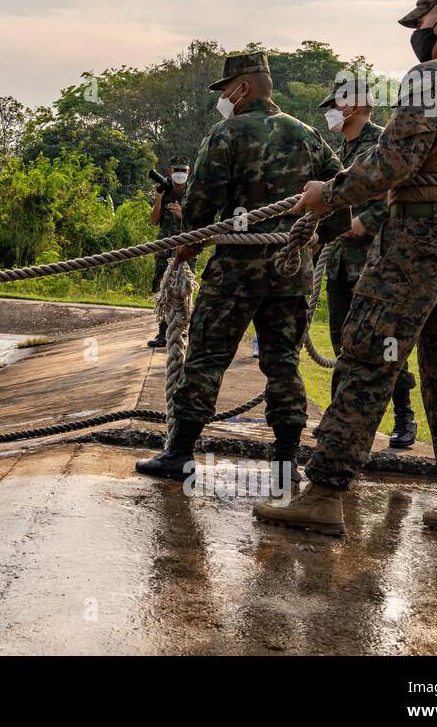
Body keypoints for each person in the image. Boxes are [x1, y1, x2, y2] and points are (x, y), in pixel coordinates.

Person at [255, 0, 437, 543]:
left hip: (422, 233)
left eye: (420, 25)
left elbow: (394, 159)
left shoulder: (432, 77)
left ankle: (325, 493)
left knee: (370, 352)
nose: (416, 37)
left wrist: (329, 192)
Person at [135, 52, 342, 485]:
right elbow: (340, 196)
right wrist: (317, 234)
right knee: (283, 363)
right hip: (291, 272)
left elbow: (199, 206)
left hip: (236, 272)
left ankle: (180, 453)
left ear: (242, 88)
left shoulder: (226, 134)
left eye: (225, 90)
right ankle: (286, 461)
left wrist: (187, 248)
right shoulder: (308, 136)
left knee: (207, 359)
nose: (223, 99)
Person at [317, 80, 419, 448]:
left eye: (334, 104)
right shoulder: (340, 151)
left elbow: (398, 193)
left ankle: (405, 416)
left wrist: (366, 222)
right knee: (343, 343)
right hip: (341, 263)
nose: (330, 111)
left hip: (378, 265)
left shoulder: (381, 143)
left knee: (385, 344)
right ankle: (338, 417)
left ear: (354, 106)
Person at [148, 156, 190, 348]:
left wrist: (183, 215)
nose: (180, 174)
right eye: (176, 171)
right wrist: (158, 198)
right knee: (162, 288)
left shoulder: (193, 193)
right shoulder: (164, 191)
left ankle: (181, 330)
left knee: (183, 288)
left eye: (184, 171)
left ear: (188, 173)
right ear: (170, 172)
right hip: (164, 247)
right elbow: (154, 221)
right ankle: (163, 332)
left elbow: (201, 224)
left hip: (186, 246)